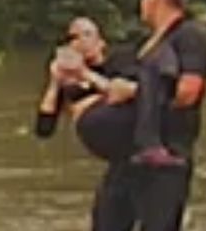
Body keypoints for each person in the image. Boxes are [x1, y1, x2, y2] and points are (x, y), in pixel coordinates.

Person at [88, 0, 206, 231]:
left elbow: (189, 92)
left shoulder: (190, 37)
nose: (140, 3)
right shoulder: (147, 47)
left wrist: (135, 92)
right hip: (128, 156)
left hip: (168, 158)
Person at [35, 17, 187, 168]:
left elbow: (128, 91)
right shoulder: (70, 81)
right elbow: (44, 129)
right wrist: (54, 82)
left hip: (126, 124)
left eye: (87, 34)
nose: (82, 41)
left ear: (101, 42)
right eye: (74, 37)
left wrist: (85, 74)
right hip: (98, 133)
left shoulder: (118, 62)